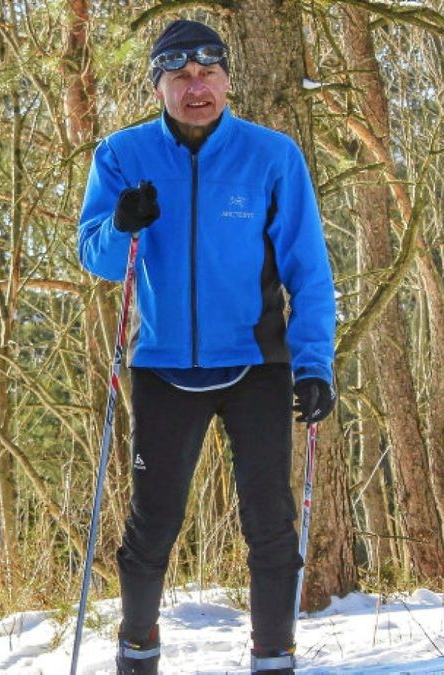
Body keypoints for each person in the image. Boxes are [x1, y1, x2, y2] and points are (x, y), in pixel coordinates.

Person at [77, 19, 337, 675]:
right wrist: (120, 224)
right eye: (180, 75)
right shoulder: (121, 153)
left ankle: (273, 655)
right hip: (163, 366)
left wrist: (314, 364)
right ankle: (137, 650)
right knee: (152, 524)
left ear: (227, 78)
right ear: (158, 84)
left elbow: (309, 269)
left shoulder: (272, 155)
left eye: (208, 73)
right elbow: (98, 256)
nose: (197, 87)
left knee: (270, 522)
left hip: (256, 362)